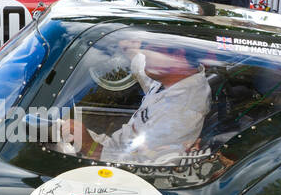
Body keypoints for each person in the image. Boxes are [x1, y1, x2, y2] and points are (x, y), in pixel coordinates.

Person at [58, 44, 211, 164]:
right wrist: (128, 45)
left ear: (178, 55)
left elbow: (145, 166)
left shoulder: (182, 112)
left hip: (117, 171)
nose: (144, 54)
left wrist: (89, 146)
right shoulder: (171, 79)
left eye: (153, 50)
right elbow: (139, 64)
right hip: (112, 148)